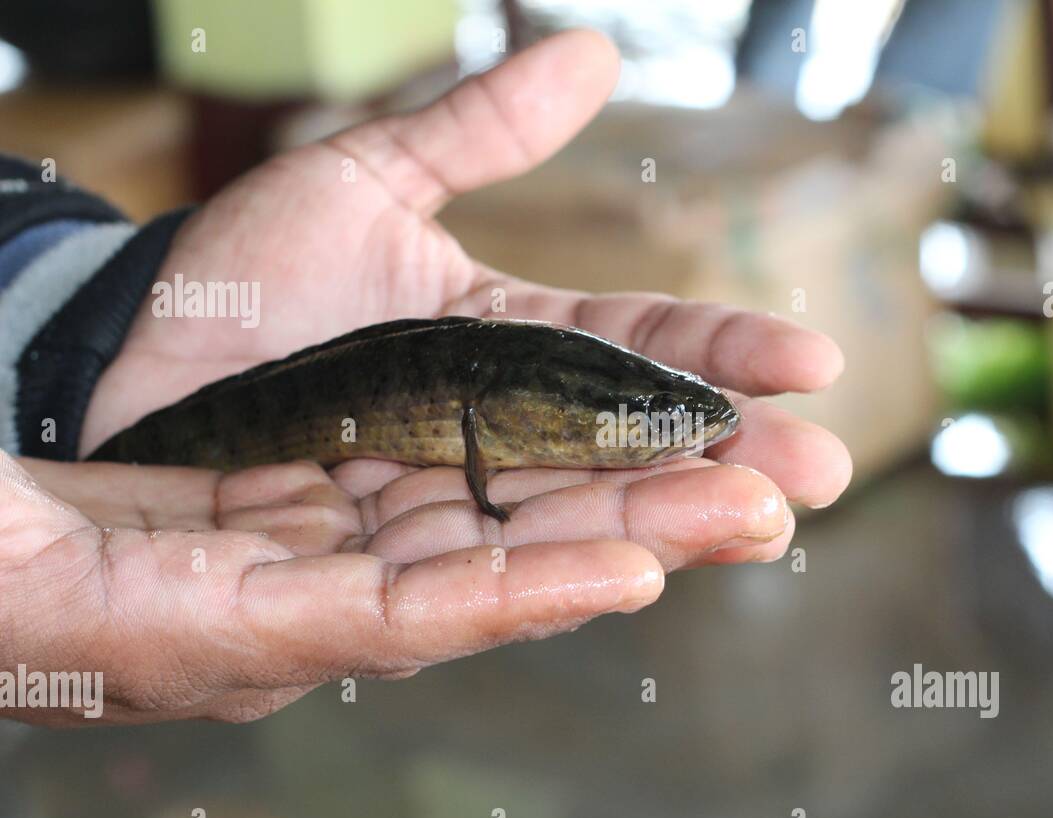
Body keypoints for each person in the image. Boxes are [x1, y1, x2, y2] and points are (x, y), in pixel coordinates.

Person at [0, 31, 850, 726]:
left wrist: (78, 311)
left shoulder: (515, 398)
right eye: (637, 411)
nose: (664, 426)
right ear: (495, 422)